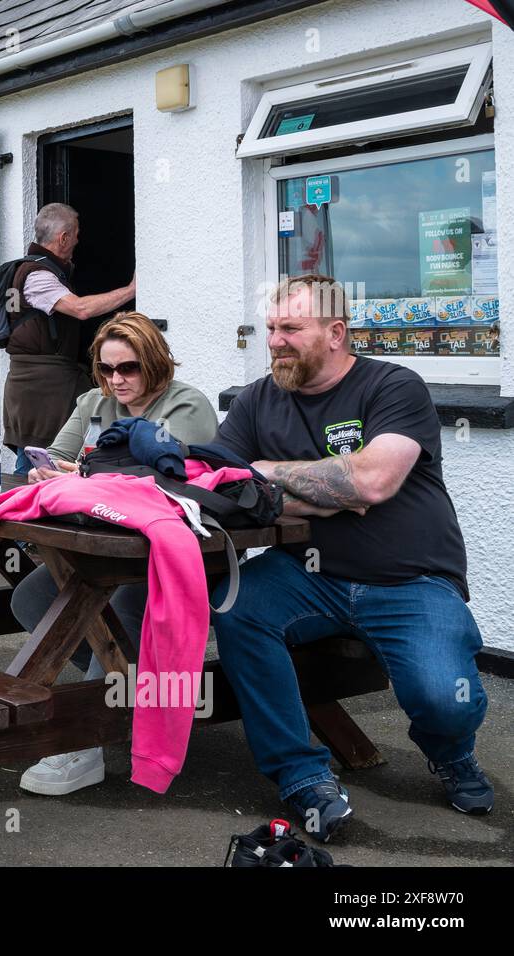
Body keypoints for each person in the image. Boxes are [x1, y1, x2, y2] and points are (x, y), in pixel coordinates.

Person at [212, 274, 491, 841]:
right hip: (307, 577)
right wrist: (321, 495)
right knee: (236, 605)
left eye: (291, 328)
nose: (275, 341)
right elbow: (218, 484)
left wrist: (266, 474)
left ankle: (450, 752)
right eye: (270, 329)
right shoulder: (258, 398)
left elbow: (371, 482)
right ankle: (300, 774)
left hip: (411, 580)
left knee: (444, 699)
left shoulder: (393, 386)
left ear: (336, 332)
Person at [10, 312, 217, 795]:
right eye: (106, 369)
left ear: (155, 363)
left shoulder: (185, 404)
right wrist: (50, 472)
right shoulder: (93, 400)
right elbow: (53, 458)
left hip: (173, 554)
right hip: (101, 542)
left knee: (120, 613)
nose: (116, 380)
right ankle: (129, 684)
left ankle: (83, 740)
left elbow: (165, 478)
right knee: (32, 600)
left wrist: (79, 475)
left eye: (129, 369)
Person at [3, 203, 136, 475]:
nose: (78, 240)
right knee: (35, 461)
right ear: (63, 238)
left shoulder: (40, 269)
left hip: (40, 390)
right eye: (75, 233)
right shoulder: (38, 275)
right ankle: (21, 511)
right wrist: (132, 290)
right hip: (41, 393)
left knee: (39, 455)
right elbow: (80, 309)